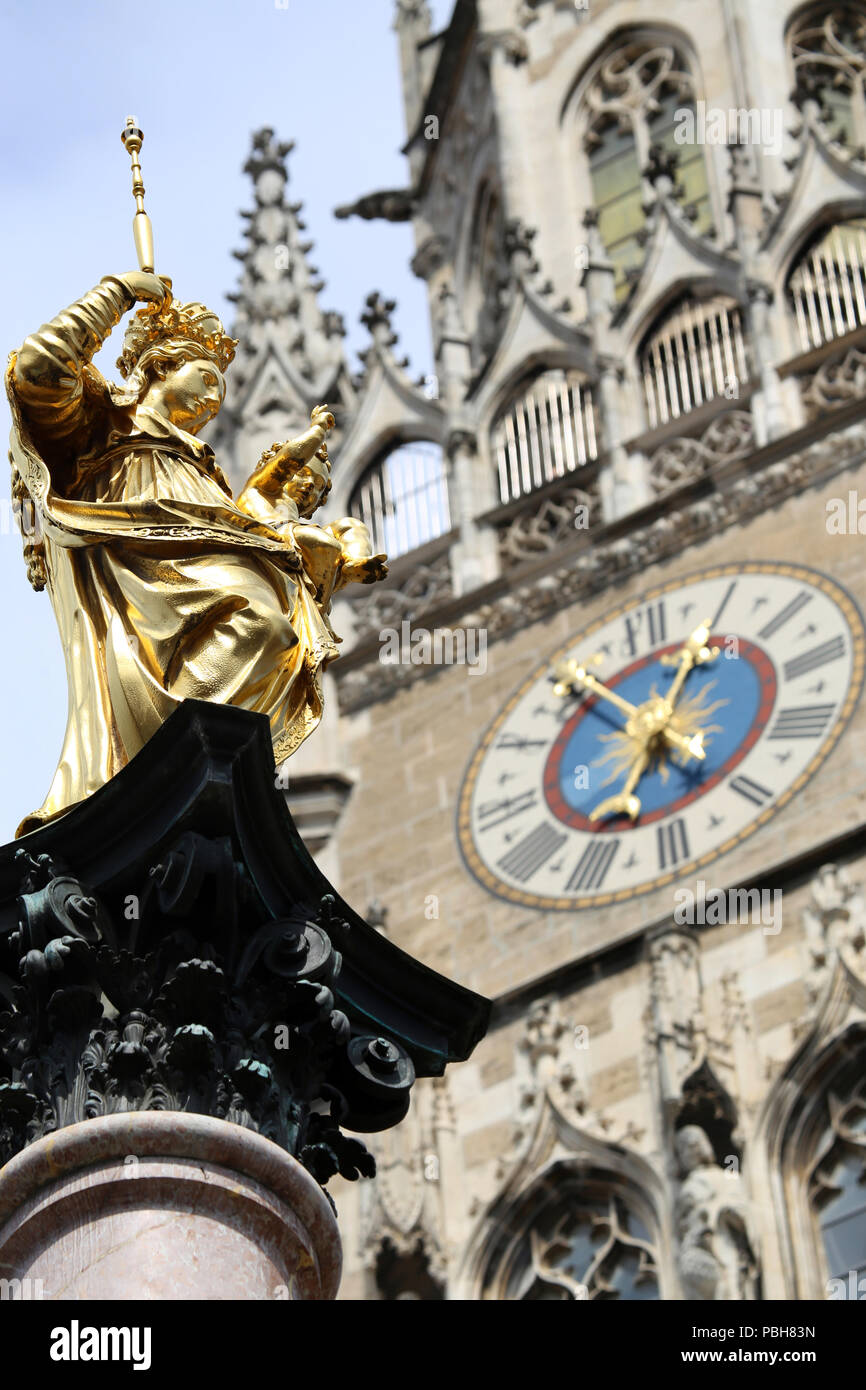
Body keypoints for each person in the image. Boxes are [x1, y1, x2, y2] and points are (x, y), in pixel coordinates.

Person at [7, 271, 386, 836]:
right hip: (135, 587)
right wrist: (118, 294)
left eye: (222, 391)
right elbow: (39, 368)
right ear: (161, 366)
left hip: (197, 577)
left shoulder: (202, 467)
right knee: (260, 623)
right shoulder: (102, 422)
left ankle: (183, 773)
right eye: (205, 378)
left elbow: (248, 526)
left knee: (276, 635)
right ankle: (169, 772)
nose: (214, 399)